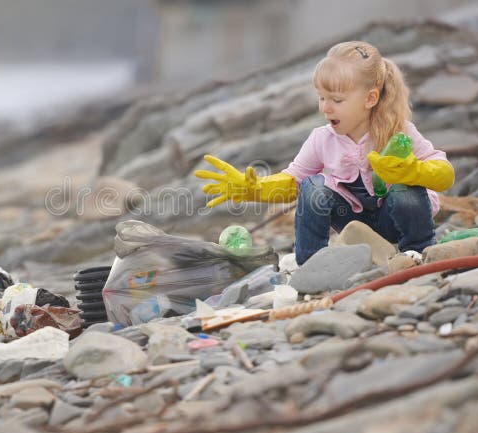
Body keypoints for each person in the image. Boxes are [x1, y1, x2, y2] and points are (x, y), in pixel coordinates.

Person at [194, 40, 454, 265]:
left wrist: (414, 171)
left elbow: (445, 174)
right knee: (312, 187)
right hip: (352, 222)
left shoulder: (400, 132)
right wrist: (256, 189)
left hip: (394, 222)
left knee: (406, 189)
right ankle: (311, 264)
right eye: (322, 98)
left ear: (370, 99)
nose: (326, 109)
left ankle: (419, 252)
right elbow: (293, 182)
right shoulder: (321, 139)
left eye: (337, 101)